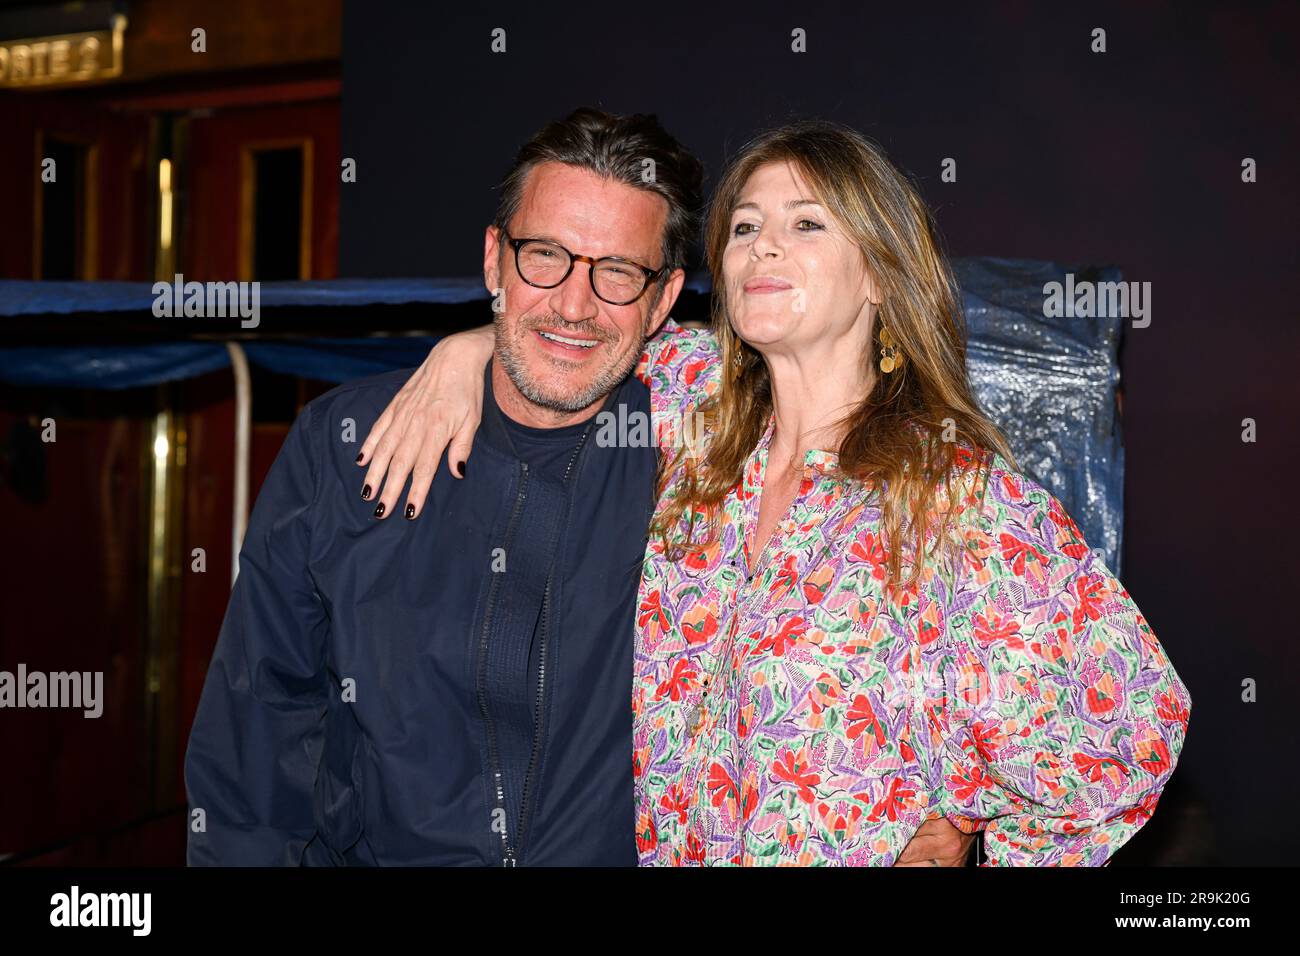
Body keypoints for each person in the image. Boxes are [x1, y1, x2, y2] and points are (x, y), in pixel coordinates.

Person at [359, 120, 1192, 865]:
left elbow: (1133, 727)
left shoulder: (950, 497)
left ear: (879, 274)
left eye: (805, 225)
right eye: (747, 227)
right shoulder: (693, 422)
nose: (762, 247)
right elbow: (574, 333)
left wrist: (970, 824)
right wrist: (460, 353)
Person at [184, 106, 974, 866]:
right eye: (545, 256)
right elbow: (260, 733)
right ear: (495, 258)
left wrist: (945, 802)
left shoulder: (706, 455)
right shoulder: (346, 442)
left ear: (664, 299)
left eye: (618, 273)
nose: (573, 302)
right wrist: (469, 350)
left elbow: (880, 630)